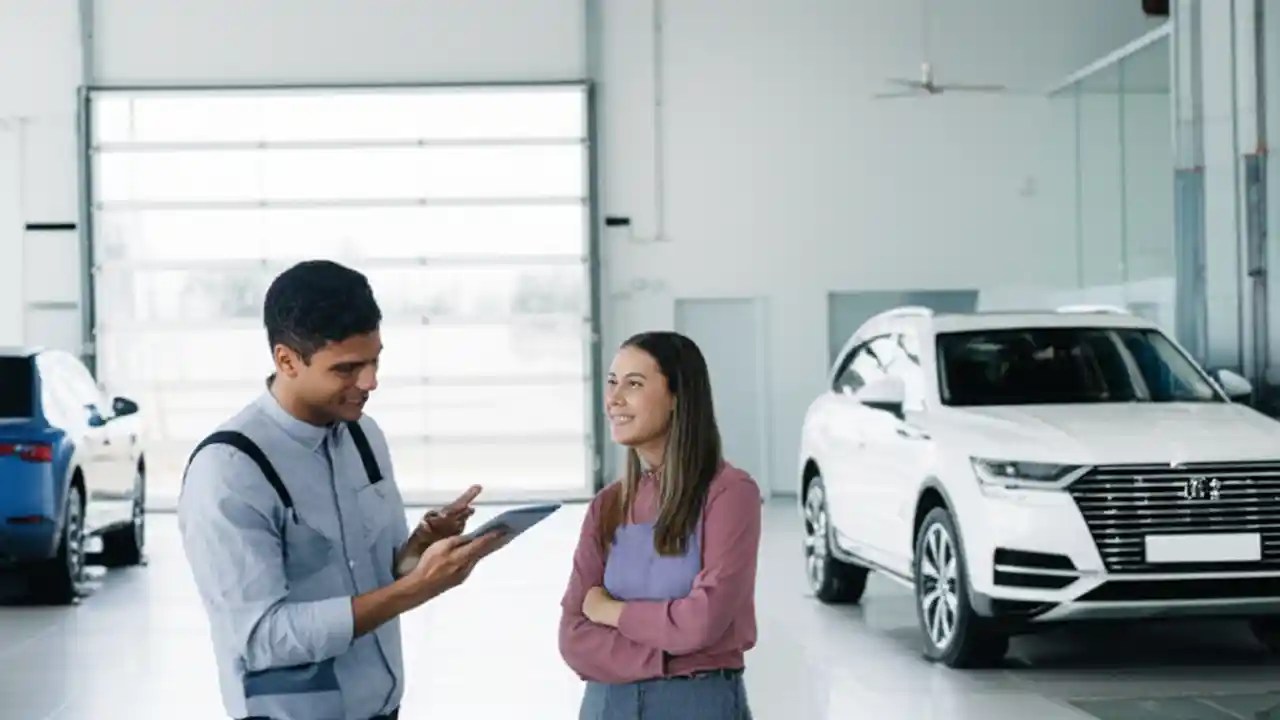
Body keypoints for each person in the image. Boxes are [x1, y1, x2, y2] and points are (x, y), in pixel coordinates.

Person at [178, 260, 505, 720]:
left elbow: (376, 574)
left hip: (382, 708)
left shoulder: (362, 435)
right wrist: (417, 590)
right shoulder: (229, 470)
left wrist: (419, 550)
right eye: (347, 369)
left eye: (375, 360)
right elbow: (260, 638)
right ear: (286, 360)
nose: (370, 381)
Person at [559, 331, 763, 719]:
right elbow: (573, 636)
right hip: (607, 706)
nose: (614, 398)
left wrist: (612, 612)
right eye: (612, 382)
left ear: (677, 398)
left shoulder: (730, 494)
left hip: (695, 706)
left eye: (634, 384)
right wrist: (676, 649)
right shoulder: (608, 505)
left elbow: (702, 621)